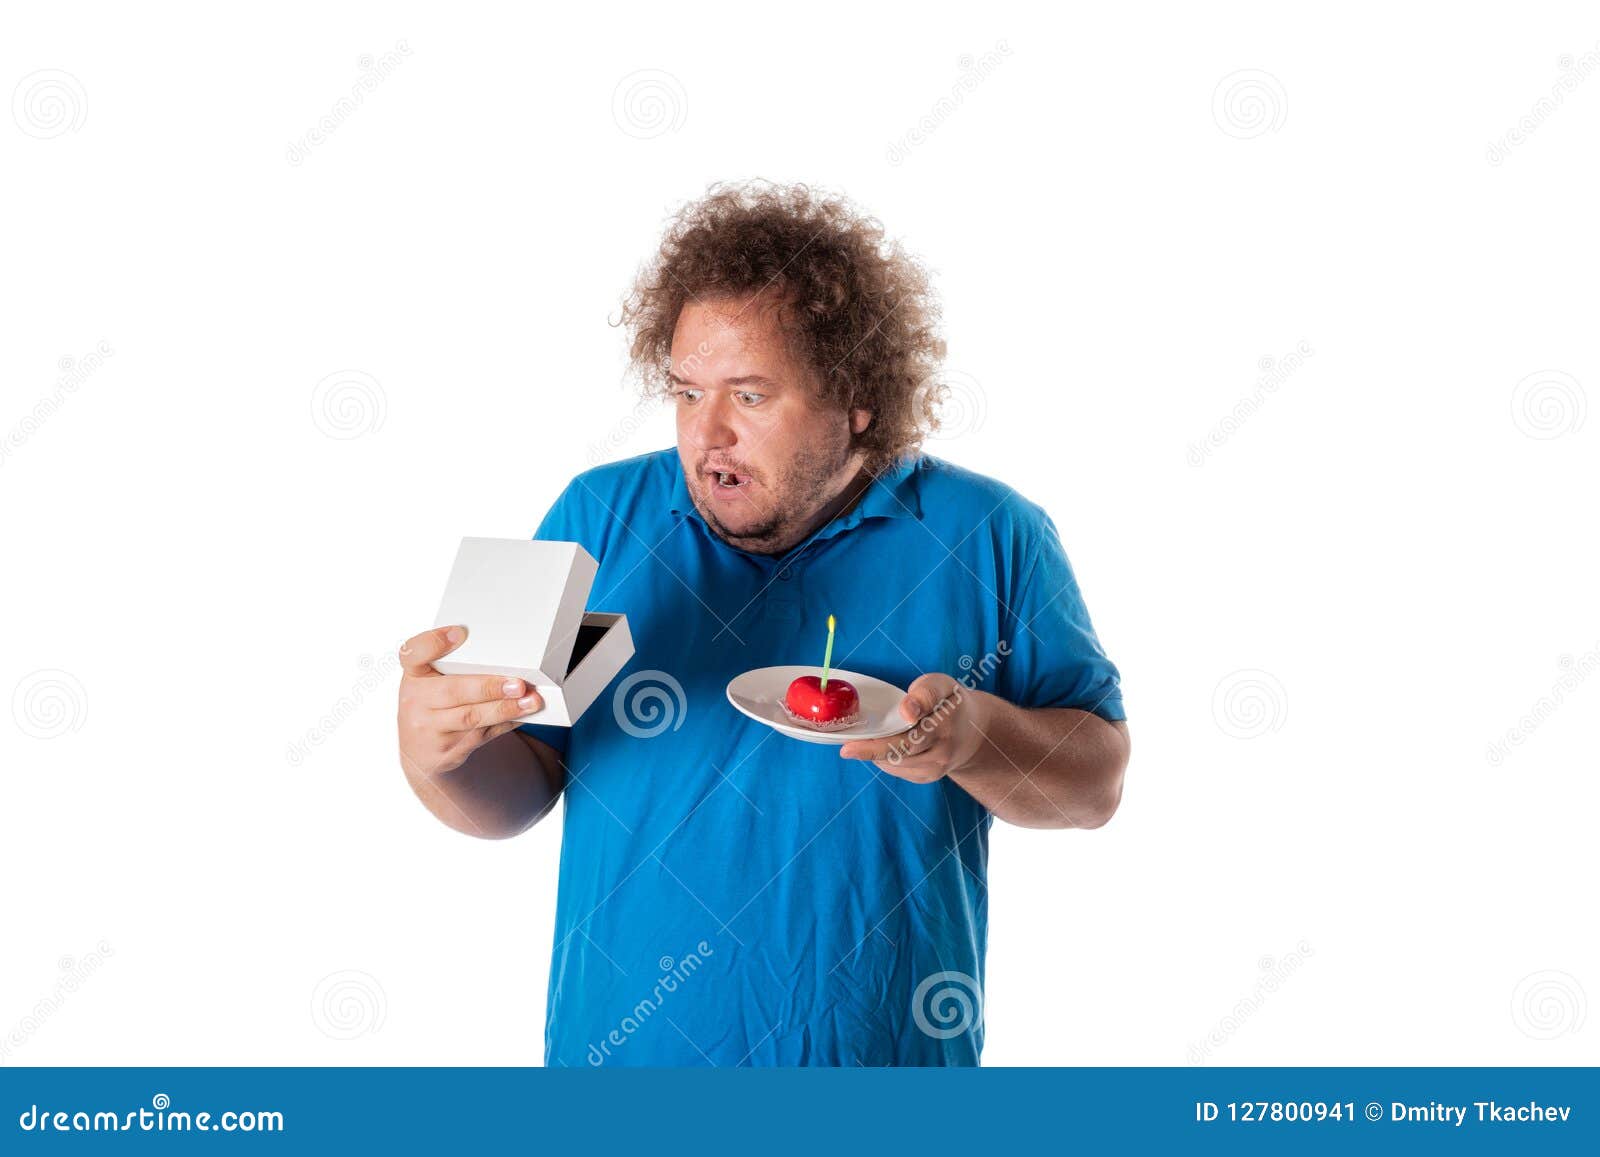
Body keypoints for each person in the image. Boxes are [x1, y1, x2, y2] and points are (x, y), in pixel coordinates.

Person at [396, 181, 1130, 1066]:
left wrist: (975, 739)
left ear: (855, 398)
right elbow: (519, 792)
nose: (707, 436)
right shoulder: (597, 517)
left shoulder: (990, 535)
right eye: (686, 391)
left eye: (749, 396)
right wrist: (440, 751)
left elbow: (1096, 788)